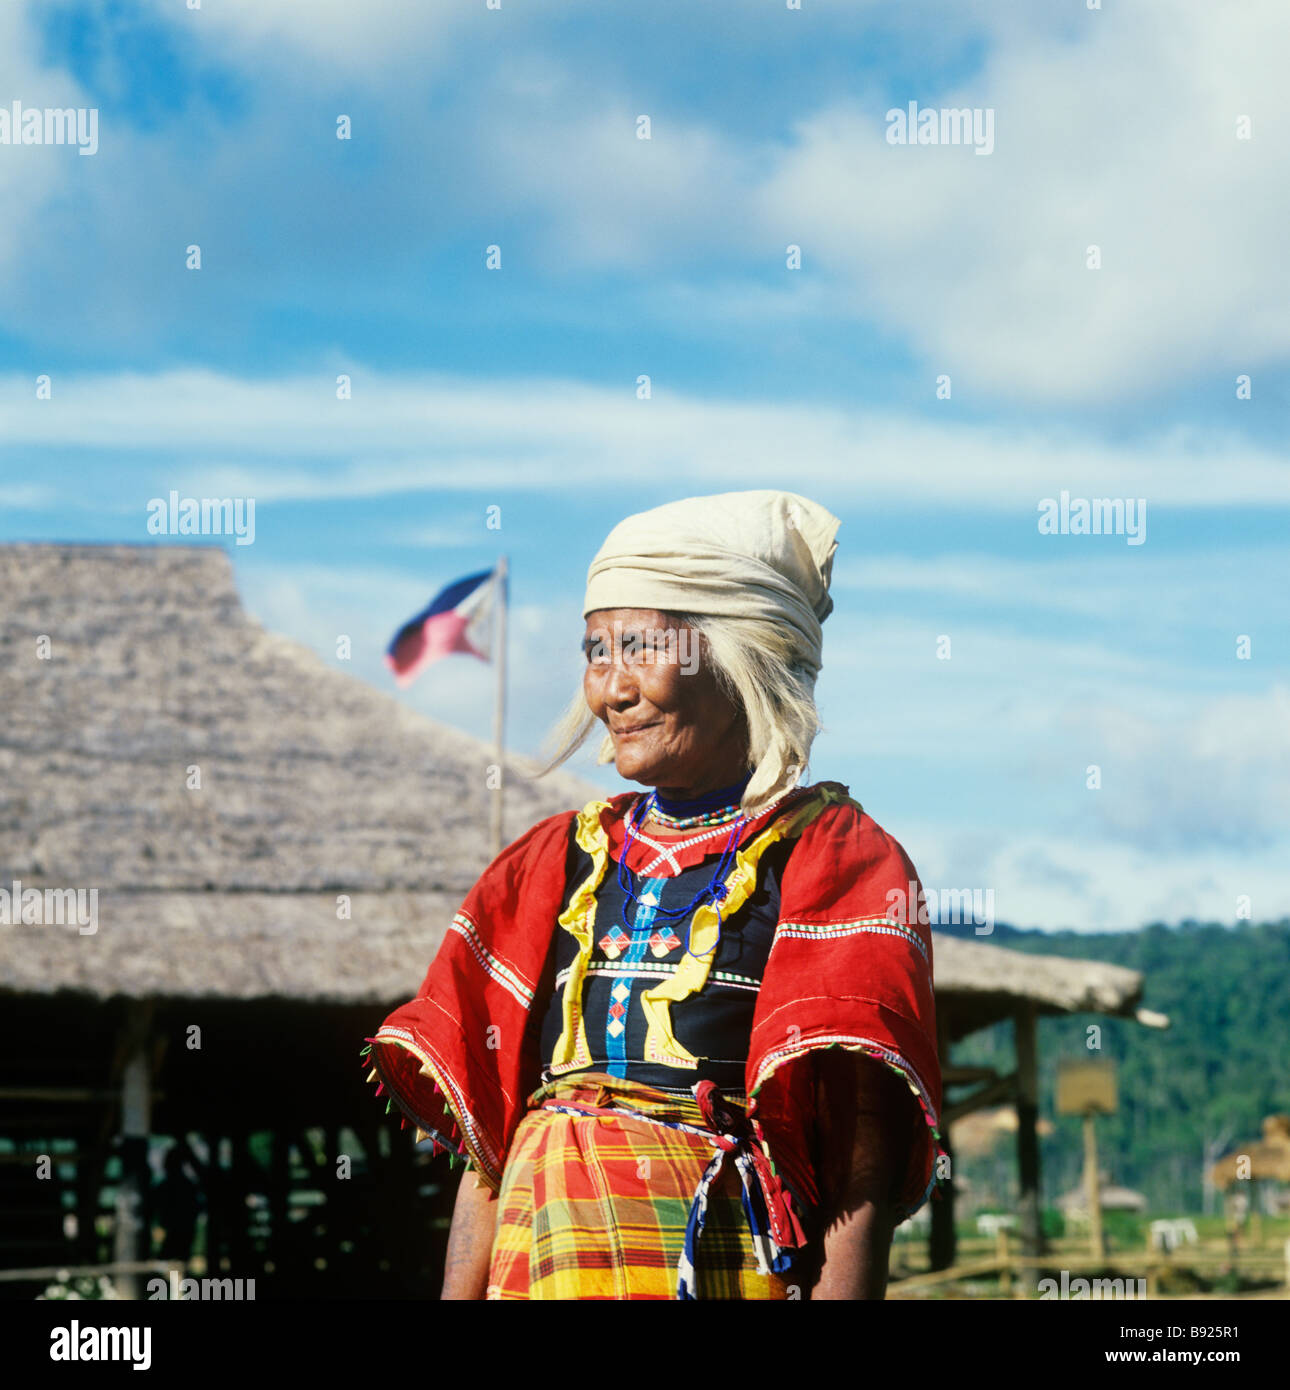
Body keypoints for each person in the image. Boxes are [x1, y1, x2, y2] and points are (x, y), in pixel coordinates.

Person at [363, 490, 943, 1299]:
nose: (611, 690)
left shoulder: (833, 861)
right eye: (596, 652)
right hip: (539, 1266)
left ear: (739, 657)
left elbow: (861, 1159)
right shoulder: (548, 866)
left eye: (640, 648)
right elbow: (488, 1152)